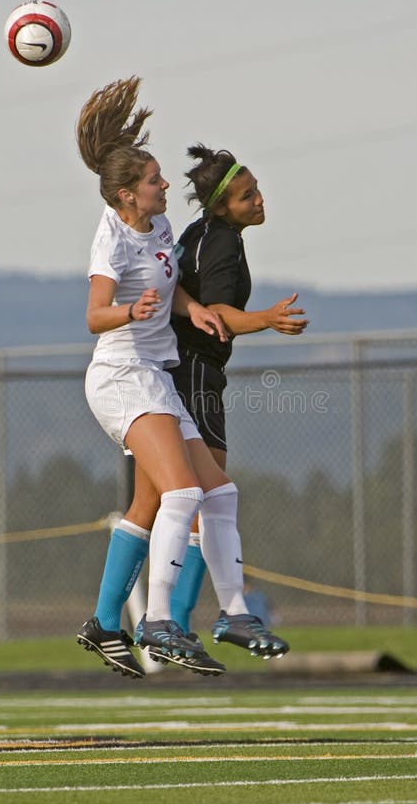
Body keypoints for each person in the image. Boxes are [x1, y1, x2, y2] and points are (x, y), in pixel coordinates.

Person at [74, 77, 289, 679]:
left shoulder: (161, 227)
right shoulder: (111, 238)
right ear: (126, 195)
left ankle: (235, 612)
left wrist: (188, 307)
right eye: (153, 181)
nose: (165, 185)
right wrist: (129, 310)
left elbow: (171, 290)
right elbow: (95, 316)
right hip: (121, 377)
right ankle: (159, 622)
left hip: (156, 375)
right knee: (182, 494)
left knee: (218, 492)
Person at [125, 144, 308, 637]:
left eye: (256, 191)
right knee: (208, 496)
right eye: (248, 196)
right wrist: (267, 319)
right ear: (223, 206)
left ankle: (130, 621)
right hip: (193, 373)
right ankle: (179, 621)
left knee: (155, 504)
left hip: (172, 369)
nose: (260, 200)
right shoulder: (222, 240)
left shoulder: (198, 233)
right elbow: (218, 314)